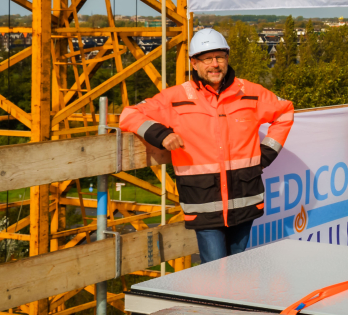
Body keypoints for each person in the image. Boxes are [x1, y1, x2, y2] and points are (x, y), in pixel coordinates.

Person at [120, 28, 294, 263]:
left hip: (245, 197)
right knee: (215, 272)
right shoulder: (176, 98)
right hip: (203, 200)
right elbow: (129, 115)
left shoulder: (249, 93)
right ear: (194, 63)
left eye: (219, 57)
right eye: (207, 59)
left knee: (238, 267)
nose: (214, 64)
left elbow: (285, 112)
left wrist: (267, 153)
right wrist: (161, 135)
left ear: (227, 59)